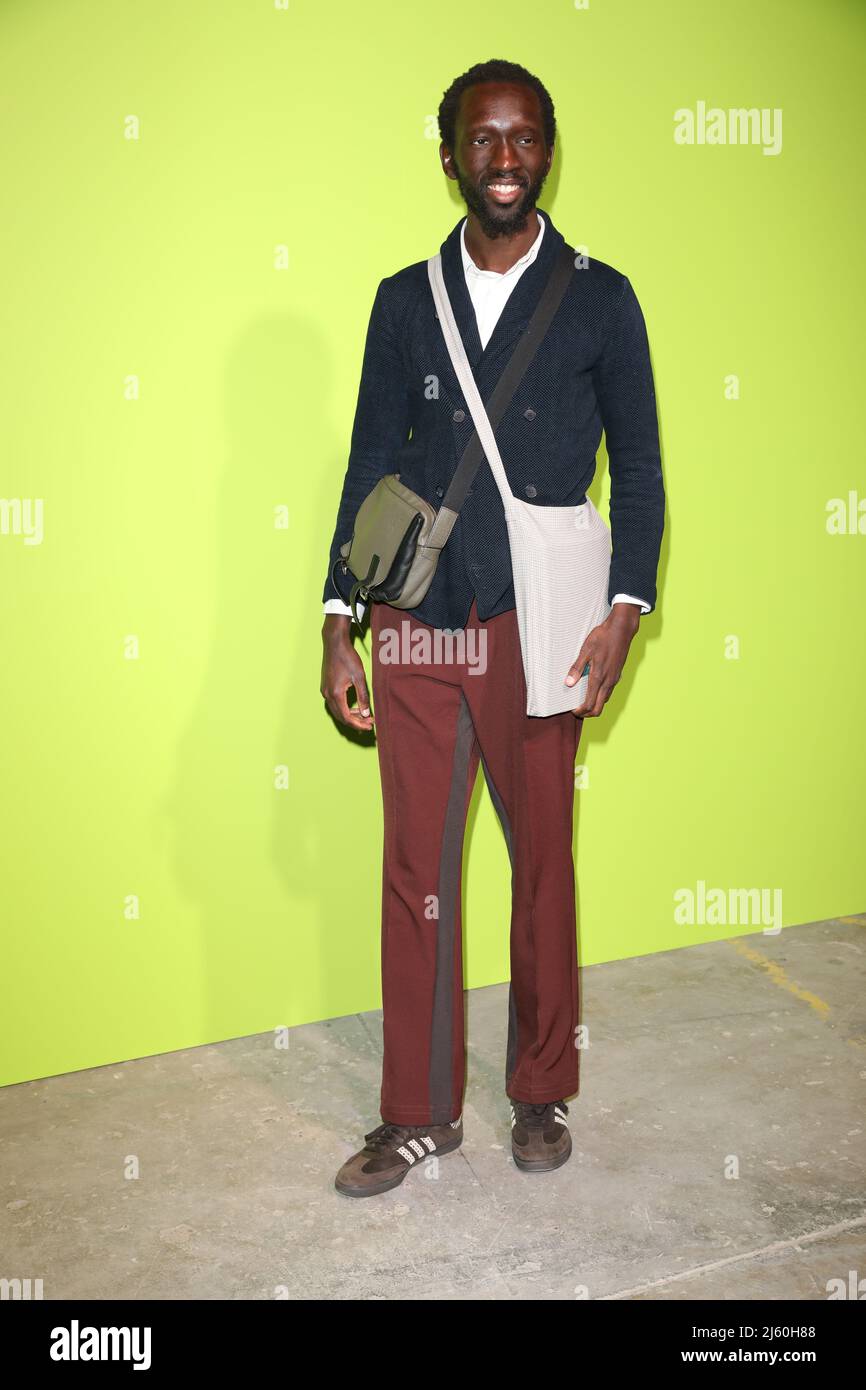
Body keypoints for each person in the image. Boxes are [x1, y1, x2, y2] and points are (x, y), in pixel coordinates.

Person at [320, 58, 665, 1198]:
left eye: (522, 138)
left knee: (541, 869)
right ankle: (415, 1114)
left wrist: (627, 608)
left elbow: (645, 469)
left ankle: (539, 1090)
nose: (503, 159)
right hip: (420, 624)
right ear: (449, 155)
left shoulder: (600, 296)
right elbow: (369, 464)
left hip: (543, 623)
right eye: (482, 139)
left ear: (547, 152)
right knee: (415, 867)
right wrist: (337, 619)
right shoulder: (400, 298)